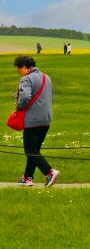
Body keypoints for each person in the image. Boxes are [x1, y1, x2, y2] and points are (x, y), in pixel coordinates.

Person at [13, 55, 60, 187]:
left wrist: (19, 106)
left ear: (24, 67)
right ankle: (27, 178)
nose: (19, 73)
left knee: (29, 150)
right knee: (34, 150)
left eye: (18, 70)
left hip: (32, 119)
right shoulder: (47, 77)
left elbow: (25, 97)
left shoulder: (26, 79)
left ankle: (49, 172)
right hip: (46, 118)